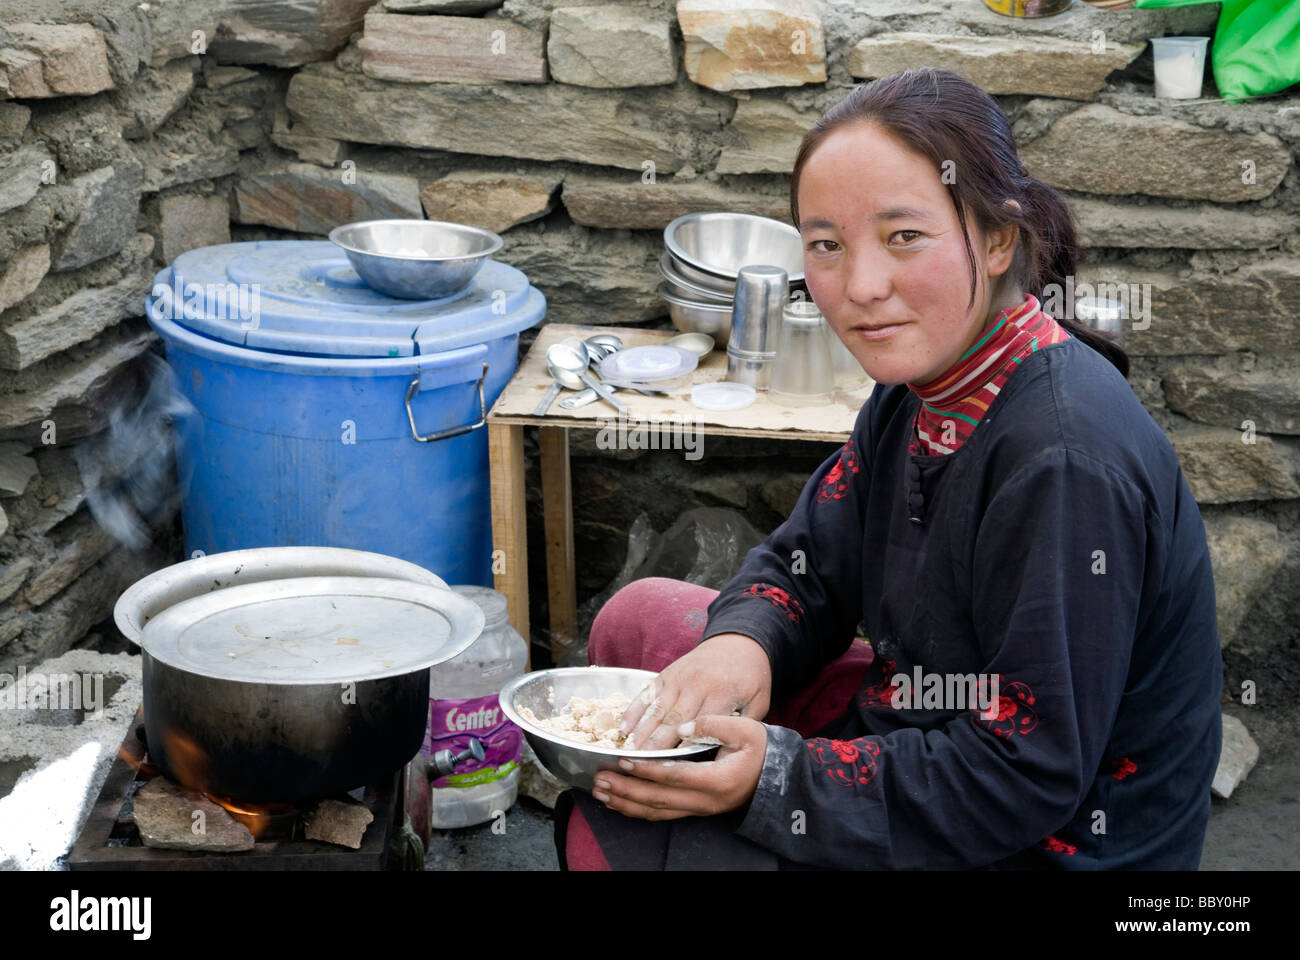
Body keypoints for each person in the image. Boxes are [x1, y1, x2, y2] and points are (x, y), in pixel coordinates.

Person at [551, 67, 1223, 870]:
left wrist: (774, 781)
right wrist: (745, 644)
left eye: (905, 236)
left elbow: (1025, 768)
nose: (862, 288)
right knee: (643, 621)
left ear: (999, 239)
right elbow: (810, 566)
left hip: (1046, 837)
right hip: (931, 714)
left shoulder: (1063, 460)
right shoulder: (919, 392)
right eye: (827, 245)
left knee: (622, 833)